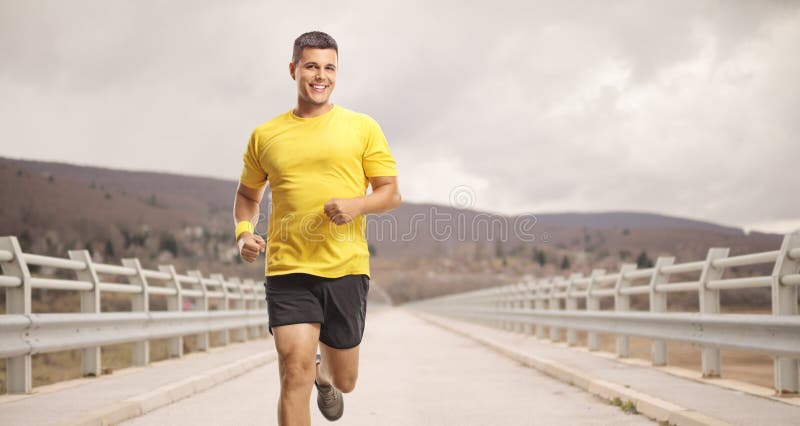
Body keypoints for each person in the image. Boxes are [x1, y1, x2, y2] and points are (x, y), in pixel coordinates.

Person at [232, 31, 401, 425]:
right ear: (294, 70)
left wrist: (357, 205)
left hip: (345, 268)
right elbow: (247, 195)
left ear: (336, 74)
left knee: (346, 378)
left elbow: (391, 193)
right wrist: (244, 231)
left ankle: (326, 376)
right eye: (311, 66)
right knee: (294, 370)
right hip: (288, 270)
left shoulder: (362, 127)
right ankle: (312, 373)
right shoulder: (265, 135)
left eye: (328, 68)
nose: (319, 75)